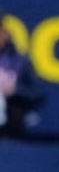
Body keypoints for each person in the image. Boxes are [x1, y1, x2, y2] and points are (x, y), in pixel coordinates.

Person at [0, 8, 44, 137]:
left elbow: (38, 93)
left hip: (8, 128)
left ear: (4, 33)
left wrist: (14, 90)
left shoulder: (18, 60)